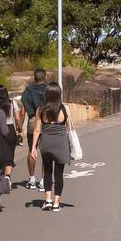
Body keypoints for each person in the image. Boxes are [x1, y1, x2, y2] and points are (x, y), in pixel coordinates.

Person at [31, 83, 71, 212]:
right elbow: (69, 128)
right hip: (61, 143)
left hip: (46, 143)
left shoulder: (40, 110)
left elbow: (37, 130)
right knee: (59, 174)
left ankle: (47, 200)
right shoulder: (65, 109)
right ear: (59, 94)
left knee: (47, 171)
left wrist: (33, 148)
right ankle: (56, 203)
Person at [17, 67, 48, 190]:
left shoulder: (27, 92)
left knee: (32, 149)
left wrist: (19, 129)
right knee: (45, 152)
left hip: (32, 122)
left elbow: (22, 112)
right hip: (46, 121)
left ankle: (31, 179)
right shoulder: (49, 89)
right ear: (45, 77)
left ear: (34, 78)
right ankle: (43, 181)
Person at [0, 85, 19, 192]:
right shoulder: (12, 103)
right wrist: (20, 129)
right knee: (10, 153)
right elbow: (17, 118)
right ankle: (7, 176)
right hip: (10, 129)